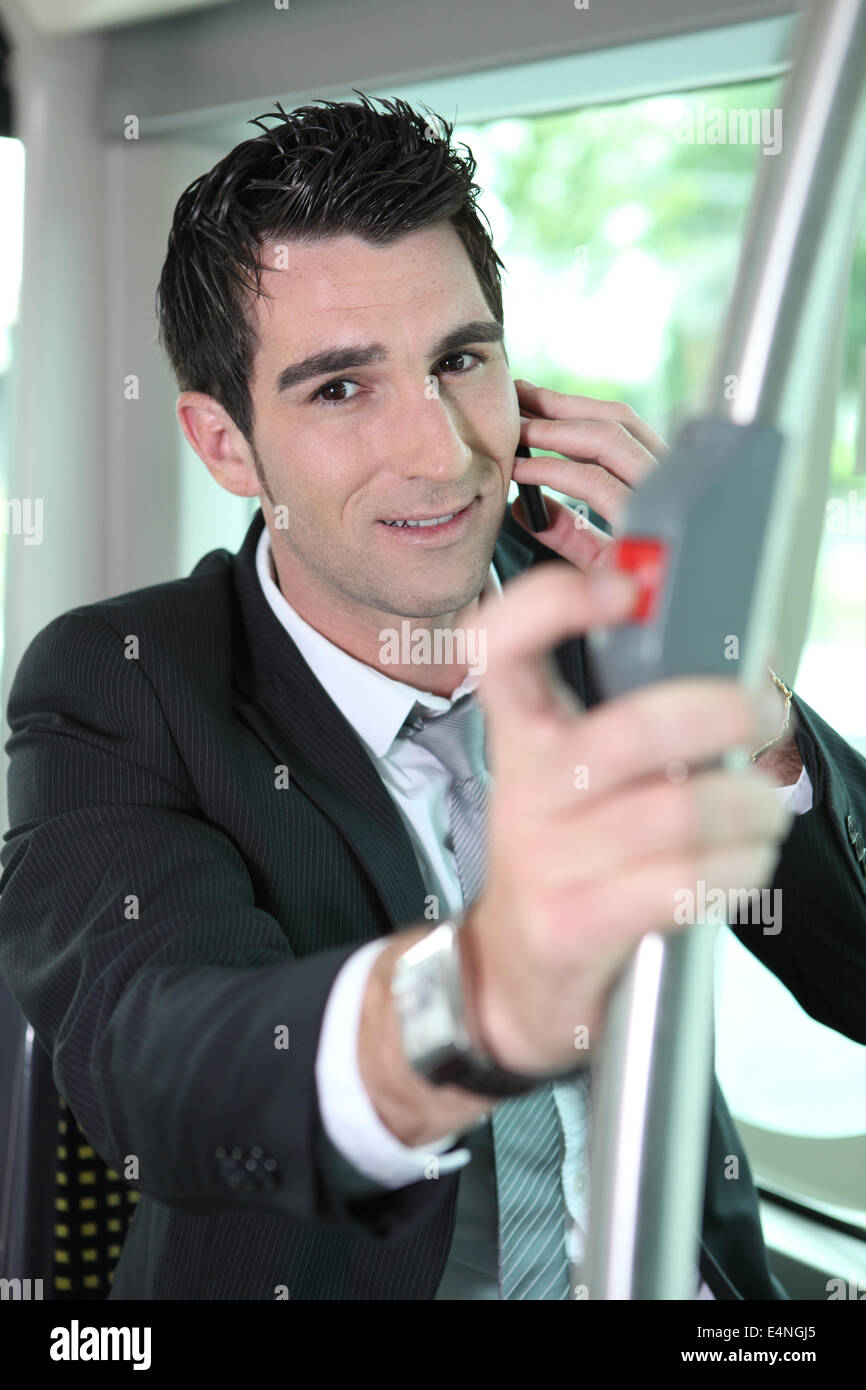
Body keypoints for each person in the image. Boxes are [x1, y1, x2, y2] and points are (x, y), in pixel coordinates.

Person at [1, 92, 864, 1302]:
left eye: (459, 361)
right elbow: (163, 1073)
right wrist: (480, 997)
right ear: (225, 445)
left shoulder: (604, 611)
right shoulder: (122, 682)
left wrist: (741, 700)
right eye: (340, 389)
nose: (442, 450)